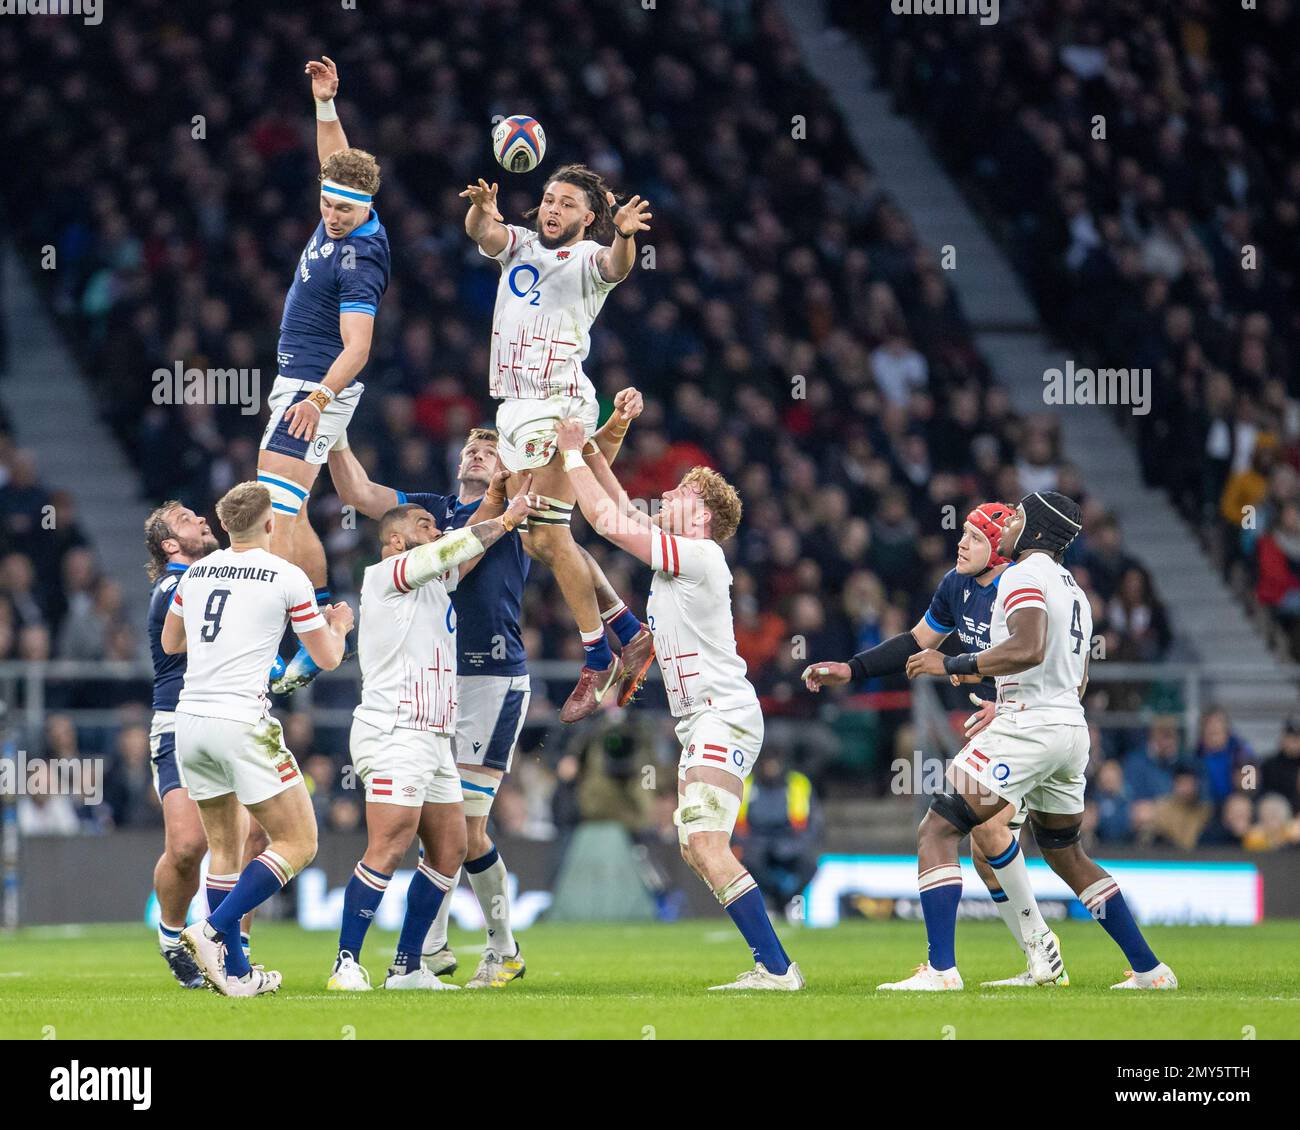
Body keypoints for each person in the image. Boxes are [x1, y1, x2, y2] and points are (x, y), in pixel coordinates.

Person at [328, 404, 653, 987]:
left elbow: (572, 466)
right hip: (433, 691)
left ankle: (488, 947)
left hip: (492, 679)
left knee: (465, 831)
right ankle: (432, 949)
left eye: (490, 448)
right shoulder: (427, 516)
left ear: (510, 462)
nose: (478, 453)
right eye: (471, 448)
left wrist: (613, 428)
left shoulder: (521, 502)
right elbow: (357, 488)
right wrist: (333, 429)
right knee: (443, 831)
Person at [882, 491, 1177, 991]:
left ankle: (941, 970)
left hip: (1029, 727)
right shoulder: (1075, 590)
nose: (1011, 520)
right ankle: (1151, 971)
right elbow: (1078, 678)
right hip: (1069, 727)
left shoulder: (1022, 575)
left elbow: (1027, 645)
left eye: (1018, 515)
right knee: (1065, 853)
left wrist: (950, 666)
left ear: (1037, 528)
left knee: (937, 828)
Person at [551, 415, 804, 991]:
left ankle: (777, 968)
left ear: (704, 517)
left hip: (724, 714)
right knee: (694, 846)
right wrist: (594, 451)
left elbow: (611, 523)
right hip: (702, 719)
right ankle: (772, 962)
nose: (665, 494)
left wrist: (568, 455)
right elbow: (620, 507)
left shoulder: (703, 557)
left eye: (681, 492)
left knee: (704, 840)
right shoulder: (677, 554)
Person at [803, 503, 1069, 986]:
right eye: (961, 533)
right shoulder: (956, 586)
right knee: (988, 843)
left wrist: (1005, 703)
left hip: (1033, 726)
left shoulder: (1020, 584)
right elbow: (916, 641)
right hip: (1016, 727)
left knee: (953, 829)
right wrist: (852, 669)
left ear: (999, 547)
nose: (960, 542)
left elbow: (1047, 658)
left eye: (973, 535)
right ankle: (1046, 951)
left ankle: (953, 968)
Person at [326, 487, 542, 991]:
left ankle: (407, 968)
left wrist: (493, 499)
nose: (437, 529)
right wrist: (506, 520)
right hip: (393, 730)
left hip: (433, 736)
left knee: (451, 846)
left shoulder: (434, 586)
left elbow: (460, 557)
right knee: (389, 843)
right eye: (426, 523)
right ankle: (345, 964)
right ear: (396, 540)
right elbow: (453, 549)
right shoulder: (386, 576)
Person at [460, 165, 652, 721]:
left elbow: (618, 264)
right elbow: (483, 232)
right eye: (548, 200)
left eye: (566, 204)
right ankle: (628, 629)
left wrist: (624, 233)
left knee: (544, 530)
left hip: (558, 400)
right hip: (516, 407)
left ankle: (596, 660)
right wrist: (479, 206)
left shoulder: (591, 258)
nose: (552, 210)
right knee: (541, 540)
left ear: (587, 218)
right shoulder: (518, 244)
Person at [165, 483, 353, 996]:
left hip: (190, 721)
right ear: (271, 524)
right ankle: (211, 930)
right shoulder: (287, 576)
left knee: (224, 850)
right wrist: (339, 625)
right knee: (299, 841)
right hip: (241, 722)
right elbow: (328, 658)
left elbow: (170, 641)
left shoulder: (196, 573)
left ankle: (237, 972)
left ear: (225, 526)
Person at [256, 55, 389, 694]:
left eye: (344, 210)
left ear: (364, 209)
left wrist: (318, 397)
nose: (332, 216)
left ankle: (294, 640)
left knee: (273, 509)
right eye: (327, 205)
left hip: (317, 385)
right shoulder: (341, 199)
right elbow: (336, 160)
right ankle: (329, 615)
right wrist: (326, 104)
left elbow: (358, 347)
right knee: (293, 507)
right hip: (305, 385)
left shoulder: (361, 258)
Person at [143, 501, 268, 988]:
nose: (200, 520)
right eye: (185, 520)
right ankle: (173, 936)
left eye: (199, 514)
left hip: (236, 717)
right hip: (179, 722)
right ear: (170, 545)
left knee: (253, 840)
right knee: (188, 846)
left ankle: (235, 952)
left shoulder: (220, 573)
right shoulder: (175, 586)